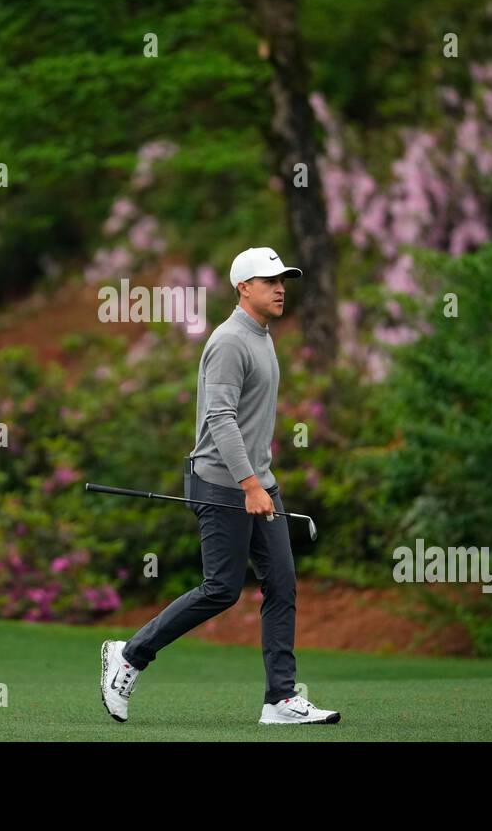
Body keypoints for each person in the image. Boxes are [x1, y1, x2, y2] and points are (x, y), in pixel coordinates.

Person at [101, 247, 341, 725]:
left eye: (283, 280)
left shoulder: (262, 336)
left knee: (281, 583)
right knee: (221, 589)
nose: (280, 288)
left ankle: (280, 700)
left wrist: (260, 484)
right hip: (221, 483)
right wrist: (250, 485)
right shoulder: (230, 341)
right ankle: (129, 656)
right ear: (242, 288)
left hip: (258, 484)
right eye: (269, 280)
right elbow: (221, 419)